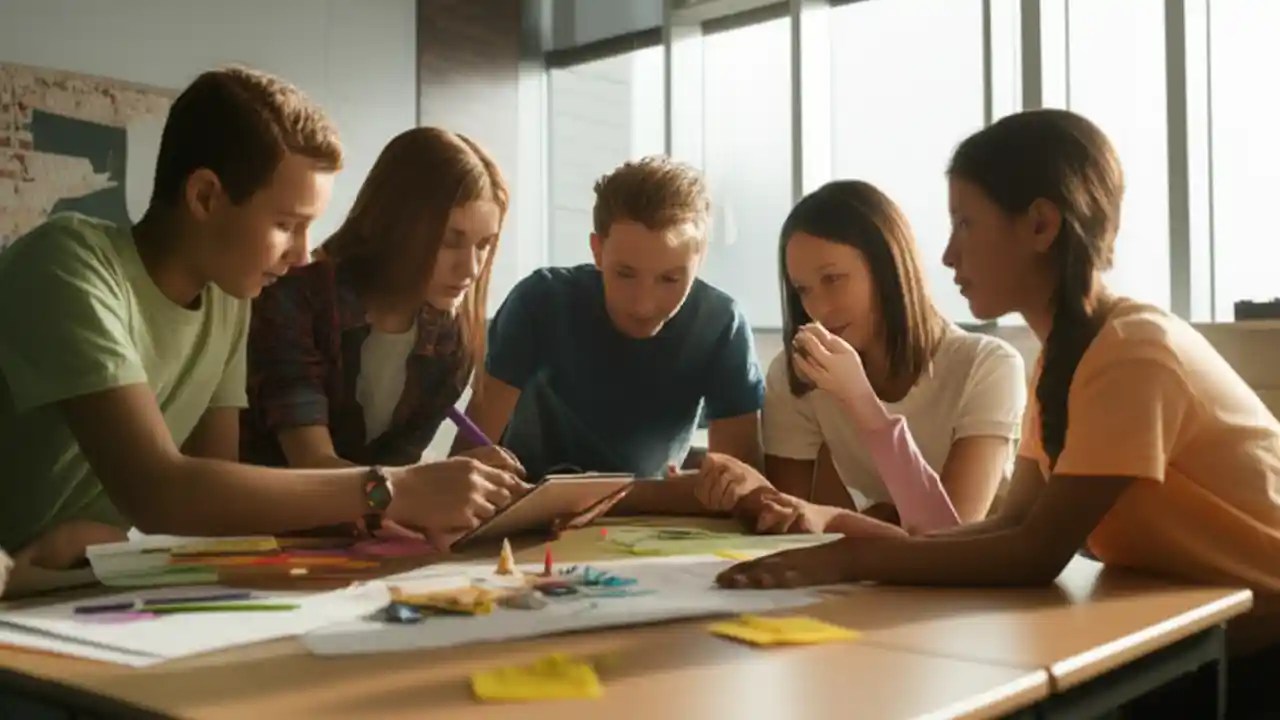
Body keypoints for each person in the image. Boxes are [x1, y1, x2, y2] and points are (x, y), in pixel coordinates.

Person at [716, 108, 1280, 716]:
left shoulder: (1132, 349)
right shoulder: (1065, 356)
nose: (950, 254)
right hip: (1212, 631)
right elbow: (1008, 524)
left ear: (1040, 224)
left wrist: (853, 557)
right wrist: (843, 540)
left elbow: (1036, 551)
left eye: (965, 223)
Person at [0, 67, 525, 592]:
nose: (301, 256)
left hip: (61, 583)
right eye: (285, 225)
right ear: (205, 197)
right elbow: (160, 489)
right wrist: (389, 490)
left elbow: (212, 498)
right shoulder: (68, 264)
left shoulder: (230, 298)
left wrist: (122, 542)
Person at [693, 181, 1025, 535]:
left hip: (980, 581)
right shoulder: (802, 373)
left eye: (833, 279)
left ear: (888, 267)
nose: (819, 308)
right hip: (882, 571)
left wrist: (859, 400)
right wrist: (751, 491)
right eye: (803, 290)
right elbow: (791, 516)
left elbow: (947, 536)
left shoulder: (988, 366)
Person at [455, 156, 765, 513]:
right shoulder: (541, 302)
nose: (644, 305)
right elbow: (464, 469)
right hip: (526, 519)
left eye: (670, 279)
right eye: (625, 274)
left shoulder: (721, 325)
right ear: (597, 250)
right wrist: (668, 494)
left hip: (639, 528)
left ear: (700, 259)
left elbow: (738, 491)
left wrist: (579, 497)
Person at [241, 126, 520, 478]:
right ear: (397, 225)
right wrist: (433, 486)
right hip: (263, 526)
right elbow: (312, 468)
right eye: (451, 240)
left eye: (484, 245)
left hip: (365, 527)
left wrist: (457, 482)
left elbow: (394, 471)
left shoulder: (451, 340)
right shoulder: (296, 299)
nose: (471, 268)